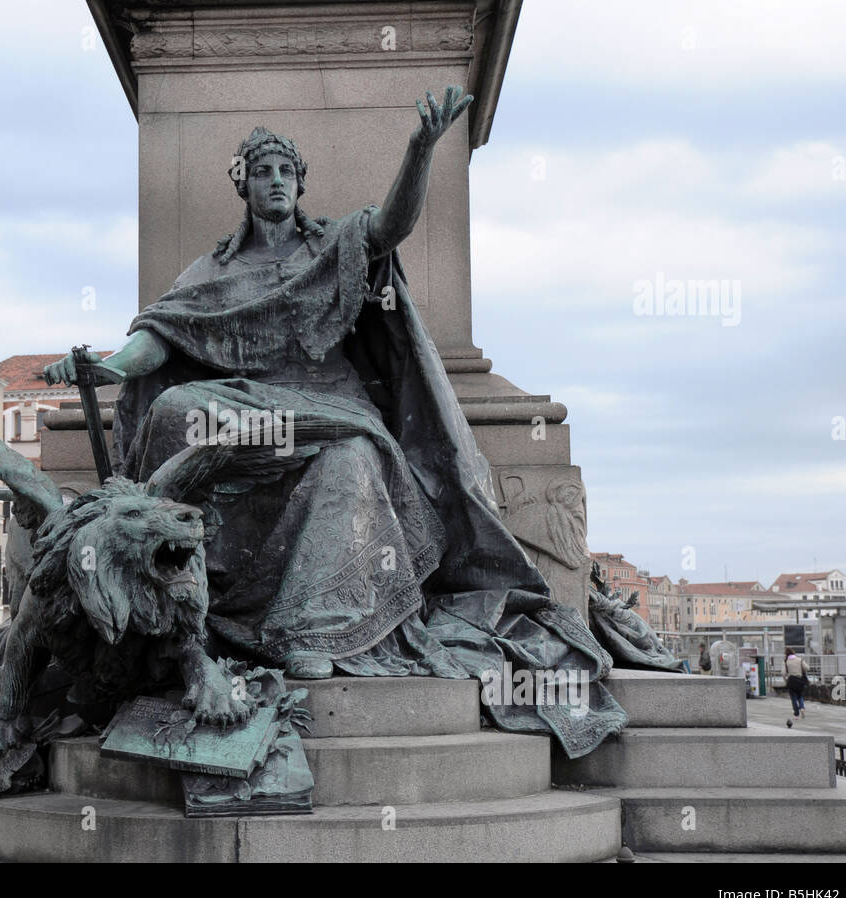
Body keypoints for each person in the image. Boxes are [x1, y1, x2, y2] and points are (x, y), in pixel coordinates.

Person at [35, 87, 629, 757]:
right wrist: (110, 370)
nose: (277, 182)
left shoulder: (335, 245)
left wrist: (421, 148)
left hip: (327, 403)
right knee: (174, 409)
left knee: (353, 453)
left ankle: (311, 627)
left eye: (287, 171)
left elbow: (391, 227)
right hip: (244, 402)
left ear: (301, 183)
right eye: (263, 172)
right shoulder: (213, 269)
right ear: (244, 186)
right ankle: (177, 599)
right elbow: (160, 337)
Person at [785, 648, 809, 719]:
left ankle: (796, 714)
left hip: (791, 681)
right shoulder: (800, 660)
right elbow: (807, 668)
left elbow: (783, 673)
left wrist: (786, 680)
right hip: (799, 680)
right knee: (800, 696)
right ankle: (802, 708)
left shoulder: (786, 661)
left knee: (793, 698)